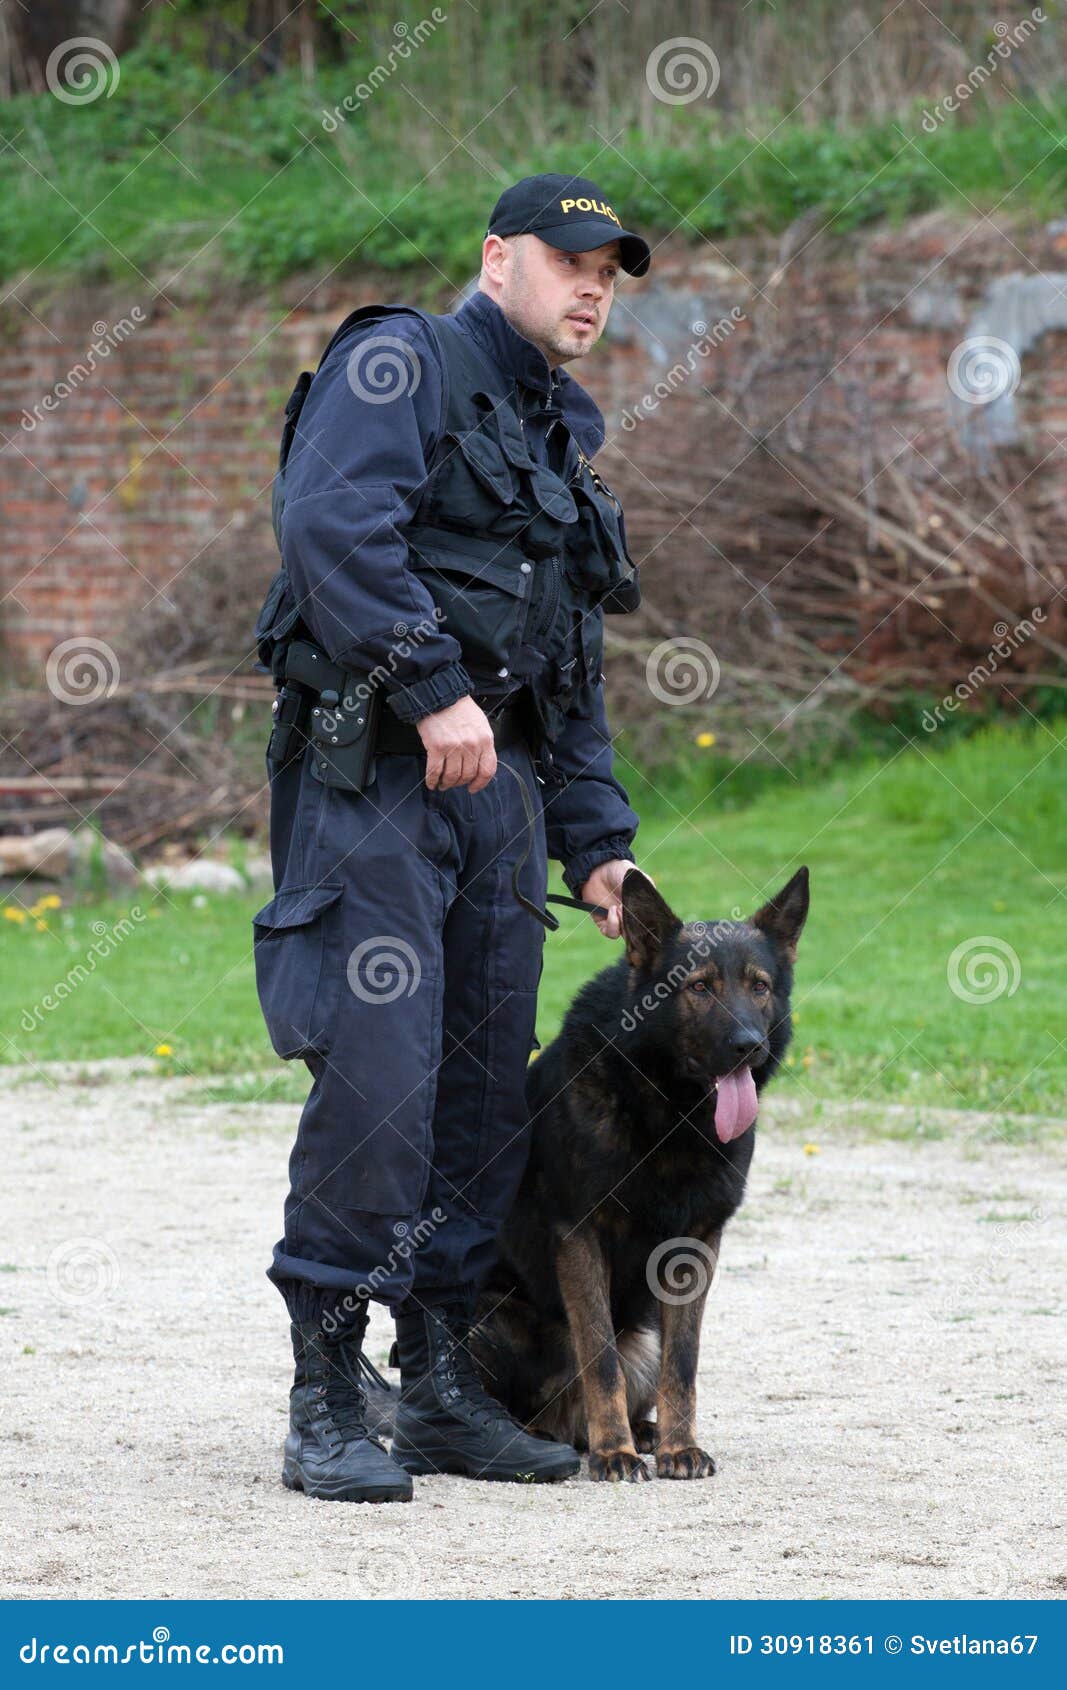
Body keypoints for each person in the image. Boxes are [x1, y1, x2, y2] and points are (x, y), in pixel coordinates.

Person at [252, 173, 653, 1502]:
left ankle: (433, 1388)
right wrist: (431, 686)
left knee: (483, 1098)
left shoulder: (557, 441)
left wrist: (598, 845)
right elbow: (330, 526)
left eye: (611, 271)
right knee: (380, 1072)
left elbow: (570, 673)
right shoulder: (401, 362)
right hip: (374, 777)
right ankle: (324, 1390)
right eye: (569, 260)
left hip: (501, 807)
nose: (593, 286)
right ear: (500, 259)